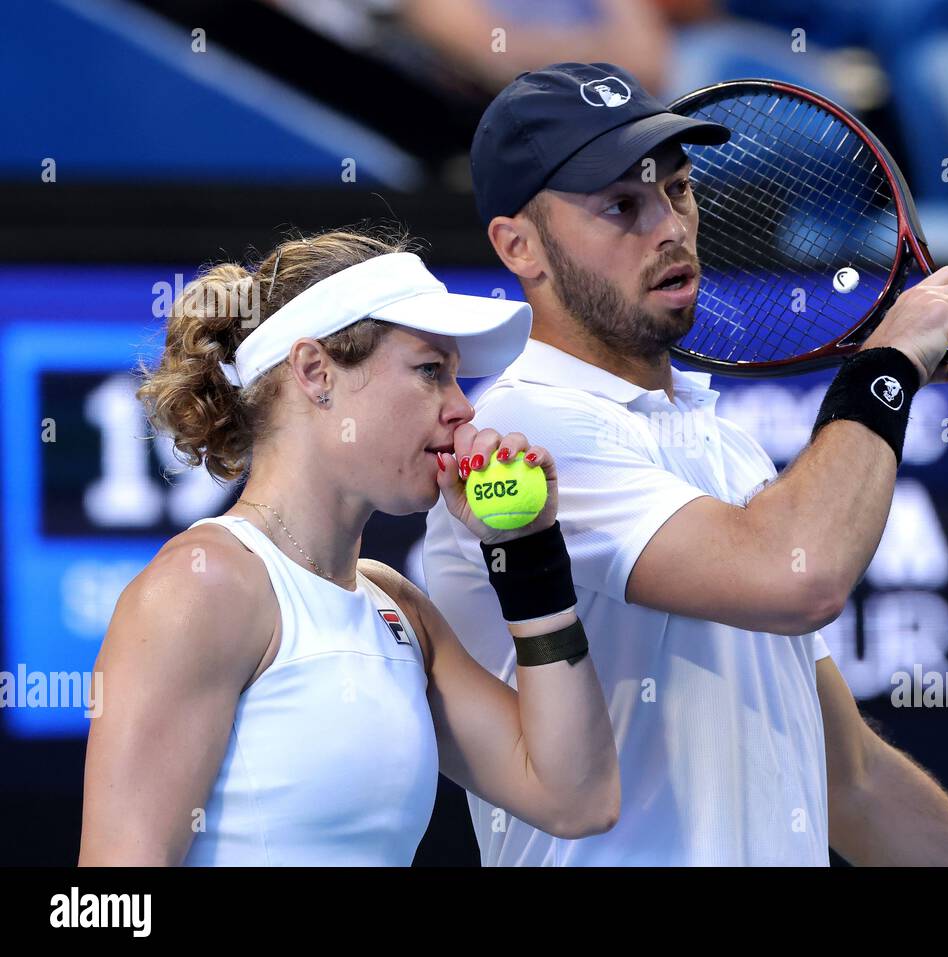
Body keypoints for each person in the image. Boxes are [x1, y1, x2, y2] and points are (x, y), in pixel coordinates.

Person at [422, 61, 948, 866]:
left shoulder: (723, 446)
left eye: (677, 190)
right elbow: (798, 576)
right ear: (517, 245)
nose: (668, 226)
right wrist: (886, 368)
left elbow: (855, 780)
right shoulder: (521, 435)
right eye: (621, 206)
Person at [80, 229, 619, 865]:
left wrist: (529, 556)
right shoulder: (202, 589)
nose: (461, 411)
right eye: (431, 372)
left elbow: (578, 798)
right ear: (316, 372)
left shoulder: (398, 611)